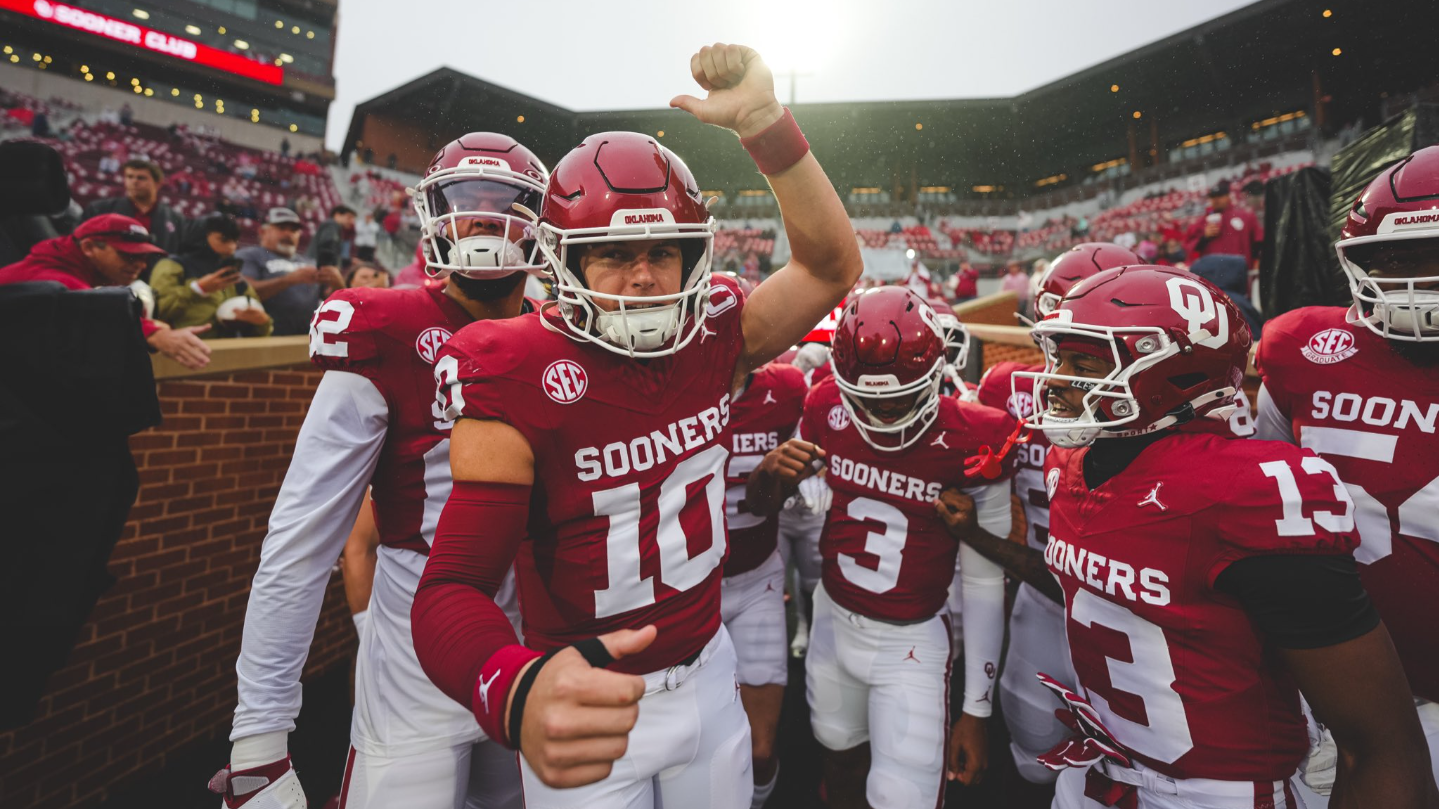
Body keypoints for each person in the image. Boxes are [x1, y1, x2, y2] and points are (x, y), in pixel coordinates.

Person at [411, 43, 863, 809]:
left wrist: (764, 123)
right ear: (562, 263)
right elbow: (451, 586)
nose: (645, 276)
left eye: (664, 251)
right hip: (589, 691)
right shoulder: (515, 366)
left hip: (710, 674)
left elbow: (827, 267)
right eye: (613, 254)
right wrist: (513, 687)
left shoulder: (715, 338)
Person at [1017, 264, 1436, 808]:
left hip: (1215, 792)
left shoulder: (1250, 492)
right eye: (1059, 360)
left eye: (1084, 364)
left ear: (1173, 376)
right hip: (1099, 771)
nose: (1057, 383)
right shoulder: (1068, 463)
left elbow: (1379, 742)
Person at [216, 133, 550, 809]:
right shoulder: (387, 327)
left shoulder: (561, 334)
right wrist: (258, 735)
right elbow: (299, 540)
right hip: (414, 650)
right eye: (465, 200)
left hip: (534, 641)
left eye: (503, 202)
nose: (484, 218)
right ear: (432, 214)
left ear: (540, 222)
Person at [745, 288, 1014, 809]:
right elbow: (786, 493)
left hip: (911, 642)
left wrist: (976, 710)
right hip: (831, 622)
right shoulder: (824, 402)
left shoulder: (976, 436)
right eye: (866, 400)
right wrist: (790, 478)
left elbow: (985, 578)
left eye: (899, 399)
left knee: (901, 797)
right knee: (839, 764)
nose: (882, 414)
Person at [1256, 145, 1439, 801]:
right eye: (1390, 258)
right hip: (1322, 678)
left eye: (1430, 256)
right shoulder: (1299, 346)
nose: (1413, 279)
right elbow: (1266, 486)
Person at [719, 331, 808, 807]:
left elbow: (775, 497)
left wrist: (781, 475)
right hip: (688, 587)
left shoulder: (787, 389)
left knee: (759, 748)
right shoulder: (671, 391)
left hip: (757, 578)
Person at [0, 213, 210, 369]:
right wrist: (154, 333)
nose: (141, 265)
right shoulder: (55, 274)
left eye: (143, 257)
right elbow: (84, 303)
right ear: (89, 247)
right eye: (128, 255)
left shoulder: (69, 265)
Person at [149, 214, 272, 337]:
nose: (231, 247)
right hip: (183, 351)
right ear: (202, 235)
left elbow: (262, 328)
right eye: (224, 239)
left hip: (230, 351)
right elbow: (157, 312)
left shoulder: (234, 275)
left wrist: (262, 322)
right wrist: (198, 289)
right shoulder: (173, 265)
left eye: (234, 241)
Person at [236, 208, 345, 336]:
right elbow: (244, 292)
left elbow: (329, 301)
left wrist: (338, 284)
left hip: (306, 339)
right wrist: (288, 280)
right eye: (282, 228)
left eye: (294, 230)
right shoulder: (248, 255)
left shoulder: (309, 261)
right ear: (263, 231)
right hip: (264, 338)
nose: (288, 234)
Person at [82, 159, 188, 255]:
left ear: (158, 183)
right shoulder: (100, 209)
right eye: (129, 176)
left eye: (141, 178)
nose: (134, 181)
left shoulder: (176, 219)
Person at [1183, 180, 1262, 264]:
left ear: (1228, 196)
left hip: (1241, 270)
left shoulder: (1245, 217)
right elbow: (1189, 247)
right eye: (1213, 197)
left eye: (1220, 196)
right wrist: (1204, 237)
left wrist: (1257, 261)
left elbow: (1258, 241)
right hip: (1213, 271)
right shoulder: (1201, 223)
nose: (1216, 200)